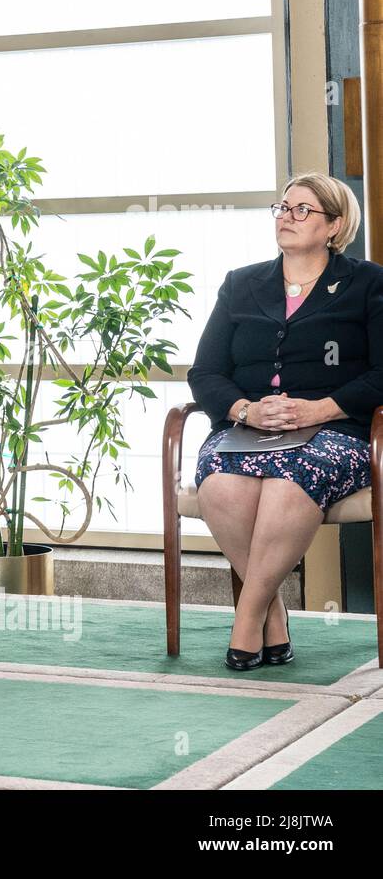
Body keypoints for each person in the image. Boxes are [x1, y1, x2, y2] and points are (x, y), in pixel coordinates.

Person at [188, 173, 379, 671]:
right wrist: (244, 409)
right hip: (248, 428)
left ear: (335, 225)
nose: (286, 218)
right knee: (220, 488)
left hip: (337, 430)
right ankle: (274, 613)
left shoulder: (367, 283)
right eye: (282, 207)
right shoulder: (242, 283)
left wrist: (322, 408)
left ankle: (249, 617)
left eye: (302, 210)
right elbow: (205, 372)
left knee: (287, 483)